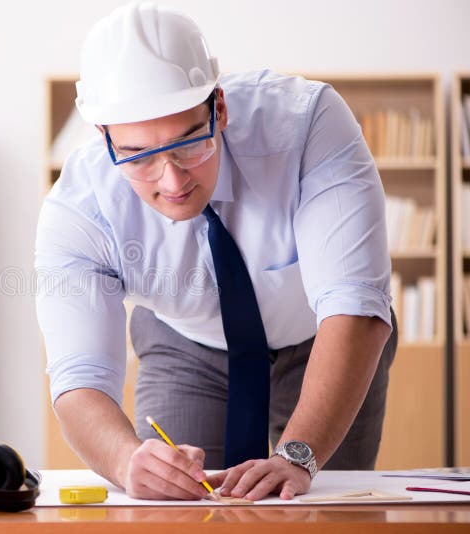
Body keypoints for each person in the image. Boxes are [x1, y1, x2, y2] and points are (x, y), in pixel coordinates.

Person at [35, 1, 396, 502]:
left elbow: (354, 304)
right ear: (105, 138)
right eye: (138, 157)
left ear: (219, 108)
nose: (172, 181)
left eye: (189, 143)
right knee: (176, 501)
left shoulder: (307, 123)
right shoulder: (80, 209)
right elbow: (79, 376)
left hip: (324, 338)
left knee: (328, 506)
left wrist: (298, 456)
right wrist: (123, 460)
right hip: (186, 343)